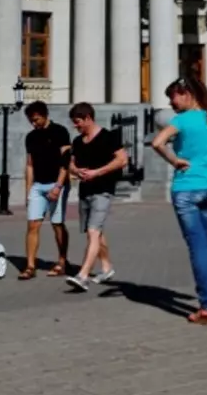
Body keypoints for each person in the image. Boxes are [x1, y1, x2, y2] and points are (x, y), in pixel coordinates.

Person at [151, 76, 207, 325]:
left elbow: (157, 143)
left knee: (197, 246)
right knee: (206, 244)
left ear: (186, 93)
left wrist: (174, 161)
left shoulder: (183, 120)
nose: (170, 102)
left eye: (172, 96)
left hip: (188, 188)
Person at [65, 103, 127, 292]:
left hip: (103, 190)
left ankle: (83, 275)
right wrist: (76, 170)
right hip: (85, 191)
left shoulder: (108, 137)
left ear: (88, 118)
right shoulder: (77, 142)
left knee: (93, 231)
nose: (76, 126)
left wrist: (97, 173)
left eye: (78, 122)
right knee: (96, 232)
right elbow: (70, 164)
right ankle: (107, 267)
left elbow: (122, 160)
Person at [20, 101, 72, 280]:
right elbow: (29, 165)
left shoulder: (60, 132)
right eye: (30, 121)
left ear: (44, 115)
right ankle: (30, 266)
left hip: (57, 184)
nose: (33, 124)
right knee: (32, 225)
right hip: (38, 186)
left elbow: (66, 161)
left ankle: (62, 261)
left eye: (36, 120)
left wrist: (58, 186)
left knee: (57, 224)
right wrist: (28, 190)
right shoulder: (30, 137)